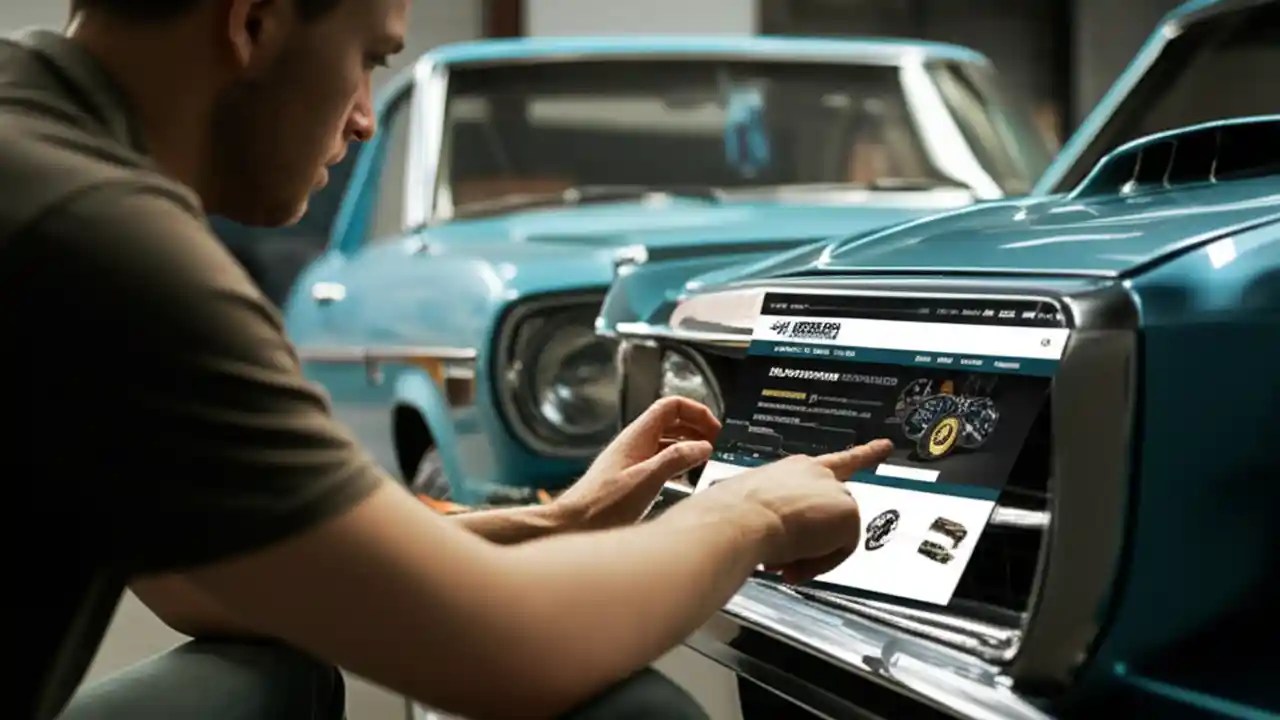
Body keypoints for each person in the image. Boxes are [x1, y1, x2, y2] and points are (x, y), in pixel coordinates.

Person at [0, 1, 895, 718]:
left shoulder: (37, 153)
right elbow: (507, 650)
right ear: (253, 20)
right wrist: (749, 513)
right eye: (368, 59)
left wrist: (564, 518)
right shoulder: (100, 240)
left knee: (278, 672)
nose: (362, 118)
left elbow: (208, 585)